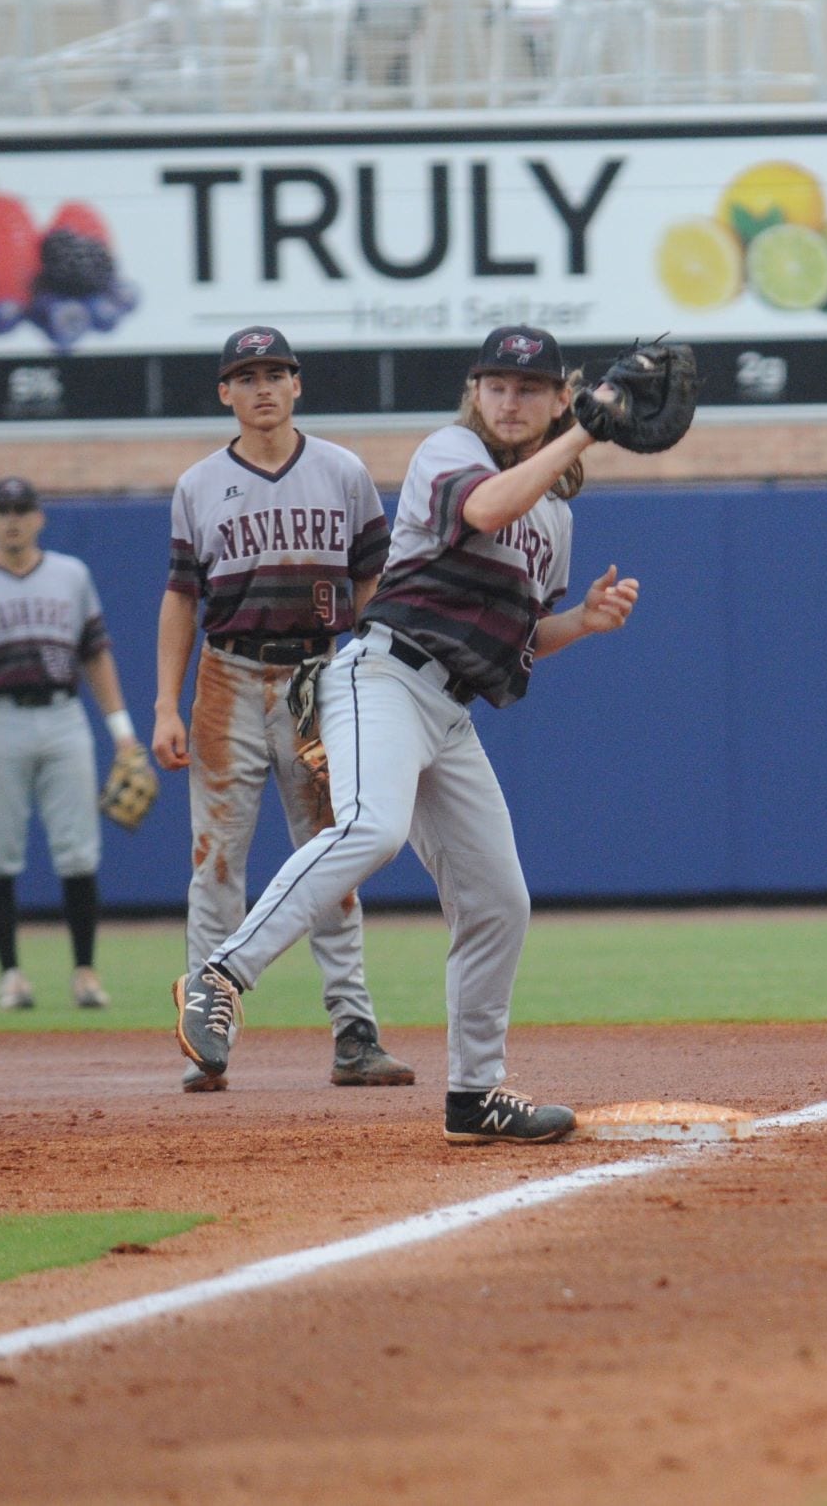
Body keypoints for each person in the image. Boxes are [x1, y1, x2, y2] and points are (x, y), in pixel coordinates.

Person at [174, 327, 642, 1144]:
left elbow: (517, 636)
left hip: (450, 713)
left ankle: (475, 1094)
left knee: (500, 899)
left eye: (528, 388)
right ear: (475, 390)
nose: (508, 399)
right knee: (373, 826)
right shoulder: (449, 448)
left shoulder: (557, 518)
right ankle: (220, 974)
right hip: (381, 677)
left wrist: (582, 623)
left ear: (556, 397)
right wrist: (587, 430)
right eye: (496, 383)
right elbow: (488, 505)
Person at [152, 327, 410, 1095]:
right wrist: (166, 702)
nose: (262, 387)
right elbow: (180, 597)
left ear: (298, 385)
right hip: (227, 675)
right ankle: (210, 1028)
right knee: (216, 860)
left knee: (332, 854)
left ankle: (354, 1031)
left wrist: (382, 675)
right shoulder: (198, 484)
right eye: (246, 375)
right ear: (225, 393)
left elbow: (375, 586)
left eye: (275, 373)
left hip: (322, 676)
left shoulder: (343, 471)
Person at [0, 477, 140, 1012]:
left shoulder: (71, 575)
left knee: (78, 850)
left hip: (63, 717)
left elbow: (96, 654)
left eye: (23, 508)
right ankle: (11, 976)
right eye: (2, 509)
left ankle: (86, 973)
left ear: (40, 517)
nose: (13, 518)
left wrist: (122, 732)